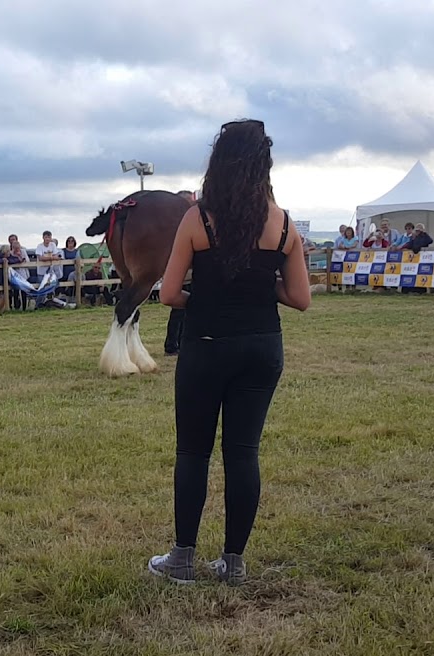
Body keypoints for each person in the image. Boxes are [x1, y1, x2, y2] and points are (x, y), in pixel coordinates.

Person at [149, 119, 311, 586]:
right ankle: (233, 561)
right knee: (243, 453)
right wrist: (262, 282)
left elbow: (169, 294)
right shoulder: (284, 226)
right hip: (262, 347)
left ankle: (182, 558)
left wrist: (203, 297)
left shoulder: (197, 220)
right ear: (265, 165)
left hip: (206, 345)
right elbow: (300, 298)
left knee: (193, 451)